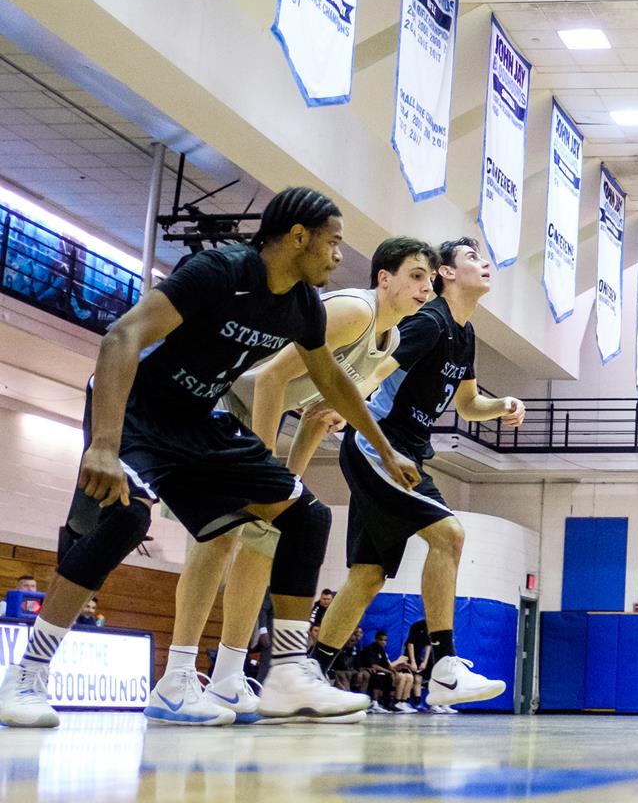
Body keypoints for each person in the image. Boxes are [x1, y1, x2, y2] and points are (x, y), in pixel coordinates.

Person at [0, 189, 420, 729]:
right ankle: (27, 676)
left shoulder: (302, 306)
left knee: (306, 516)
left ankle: (288, 672)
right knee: (127, 518)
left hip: (198, 420)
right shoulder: (219, 271)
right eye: (333, 242)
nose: (339, 256)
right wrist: (103, 443)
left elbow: (332, 382)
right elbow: (122, 336)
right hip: (136, 409)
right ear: (298, 236)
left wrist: (384, 450)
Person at [156, 236, 438, 726]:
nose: (426, 287)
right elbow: (269, 380)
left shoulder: (387, 341)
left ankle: (227, 675)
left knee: (263, 541)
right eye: (416, 275)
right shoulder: (354, 311)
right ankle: (175, 677)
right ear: (383, 278)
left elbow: (317, 415)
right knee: (220, 537)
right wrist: (261, 466)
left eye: (431, 280)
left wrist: (287, 481)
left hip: (258, 414)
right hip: (213, 397)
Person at [306, 237, 522, 712]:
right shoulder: (431, 321)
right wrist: (346, 403)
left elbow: (467, 405)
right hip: (379, 448)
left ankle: (307, 677)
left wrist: (502, 405)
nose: (485, 264)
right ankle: (443, 668)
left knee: (366, 577)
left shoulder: (464, 335)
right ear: (445, 273)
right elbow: (380, 367)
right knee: (449, 536)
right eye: (471, 258)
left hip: (403, 453)